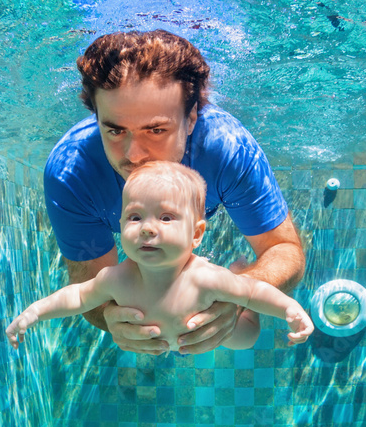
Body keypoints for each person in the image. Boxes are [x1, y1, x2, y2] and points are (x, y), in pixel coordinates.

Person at [44, 29, 305, 355]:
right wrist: (112, 318)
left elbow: (283, 249)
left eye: (156, 130)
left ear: (192, 117)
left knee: (242, 336)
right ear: (96, 118)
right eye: (114, 130)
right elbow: (88, 289)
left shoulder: (224, 148)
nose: (134, 153)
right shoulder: (71, 173)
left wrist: (236, 297)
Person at [8, 162, 313, 350]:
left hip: (220, 334)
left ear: (196, 234)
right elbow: (77, 297)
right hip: (170, 343)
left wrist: (290, 309)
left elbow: (254, 291)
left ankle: (242, 283)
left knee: (243, 338)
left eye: (166, 218)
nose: (147, 229)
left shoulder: (205, 277)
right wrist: (35, 312)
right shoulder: (117, 278)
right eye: (135, 217)